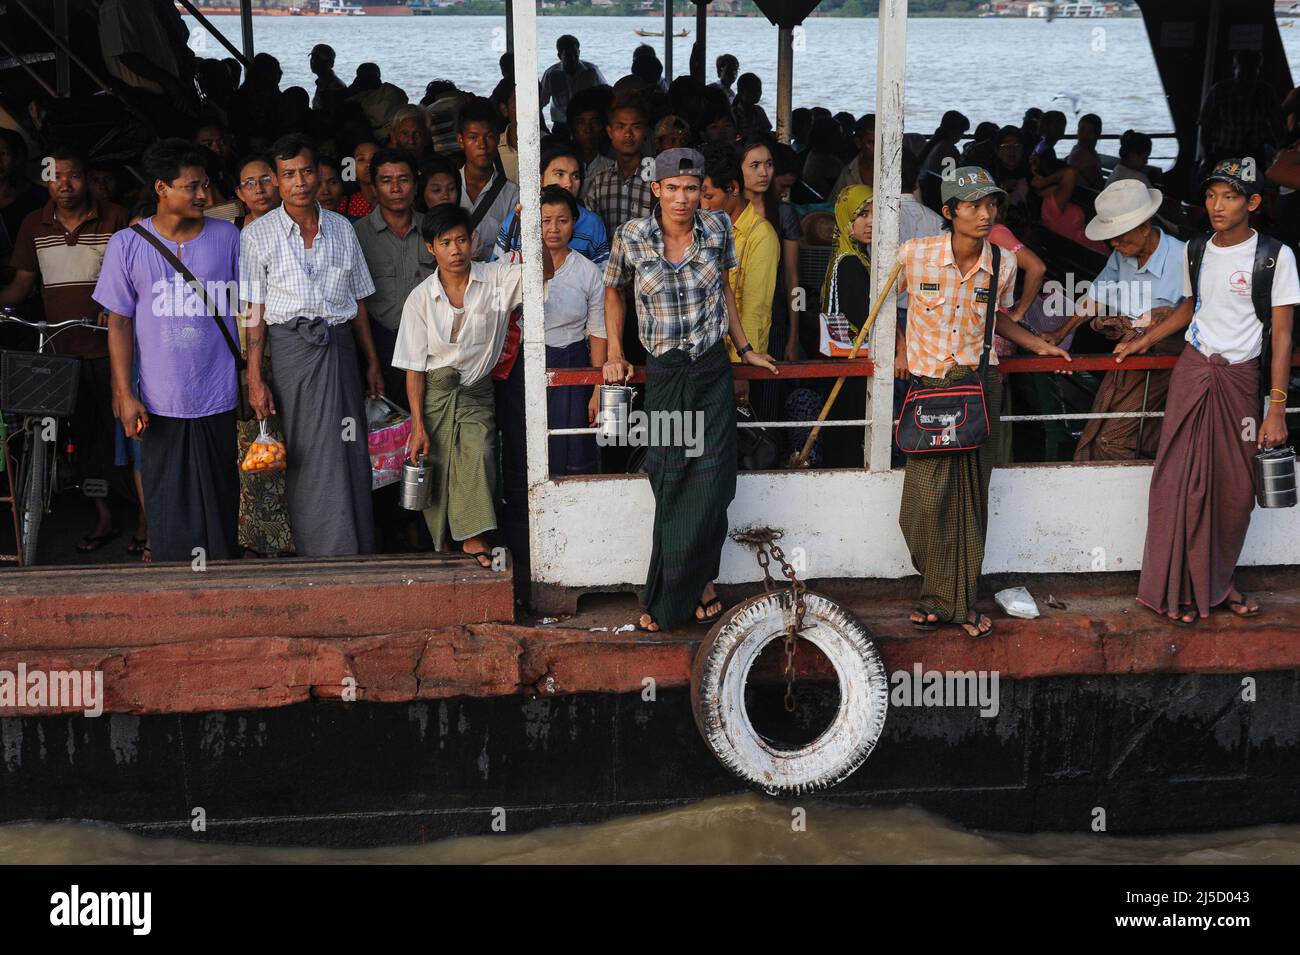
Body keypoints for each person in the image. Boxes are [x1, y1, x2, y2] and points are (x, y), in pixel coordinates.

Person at [601, 148, 778, 632]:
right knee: (670, 477)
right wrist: (615, 352)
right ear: (656, 190)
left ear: (703, 192)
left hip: (710, 371)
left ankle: (699, 577)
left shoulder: (718, 229)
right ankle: (671, 595)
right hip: (664, 374)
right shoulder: (632, 236)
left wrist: (743, 347)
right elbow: (613, 289)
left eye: (691, 188)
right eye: (672, 188)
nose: (682, 198)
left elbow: (723, 289)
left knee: (716, 481)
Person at [1116, 159, 1298, 623]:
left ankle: (1218, 585)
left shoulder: (1275, 257)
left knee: (1236, 490)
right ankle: (1173, 591)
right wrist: (1145, 340)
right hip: (1193, 374)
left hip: (1240, 380)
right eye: (1212, 196)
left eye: (1230, 196)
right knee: (1176, 483)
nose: (1217, 206)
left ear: (1253, 203)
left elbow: (1281, 339)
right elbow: (1190, 309)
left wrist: (1276, 409)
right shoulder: (1196, 249)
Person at [895, 167, 1071, 638]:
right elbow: (885, 306)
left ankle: (950, 603)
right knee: (922, 505)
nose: (984, 213)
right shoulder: (914, 255)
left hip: (978, 383)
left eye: (990, 204)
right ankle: (942, 591)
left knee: (970, 498)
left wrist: (1038, 345)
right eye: (972, 206)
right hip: (931, 387)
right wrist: (899, 349)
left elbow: (999, 321)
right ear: (949, 212)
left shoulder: (1002, 262)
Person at [94, 139, 240, 564]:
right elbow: (118, 322)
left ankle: (226, 586)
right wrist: (124, 393)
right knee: (166, 501)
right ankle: (177, 587)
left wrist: (253, 378)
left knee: (221, 496)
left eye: (206, 185)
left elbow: (250, 311)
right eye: (192, 187)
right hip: (158, 399)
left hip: (218, 392)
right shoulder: (127, 244)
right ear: (161, 188)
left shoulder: (228, 237)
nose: (203, 196)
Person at [239, 134, 384, 558]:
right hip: (292, 352)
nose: (299, 182)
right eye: (288, 175)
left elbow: (358, 302)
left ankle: (357, 547)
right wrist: (254, 377)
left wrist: (371, 362)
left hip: (340, 348)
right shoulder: (258, 236)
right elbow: (254, 312)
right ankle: (323, 553)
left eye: (305, 172)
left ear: (319, 175)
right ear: (276, 181)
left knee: (350, 447)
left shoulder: (342, 227)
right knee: (308, 451)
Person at [395, 203, 554, 564]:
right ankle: (444, 541)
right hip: (435, 394)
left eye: (462, 240)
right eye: (446, 242)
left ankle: (475, 538)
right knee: (437, 467)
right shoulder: (419, 299)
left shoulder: (497, 279)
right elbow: (413, 369)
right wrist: (417, 425)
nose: (455, 249)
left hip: (477, 391)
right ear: (430, 248)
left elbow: (543, 273)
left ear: (474, 242)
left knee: (480, 453)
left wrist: (532, 229)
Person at [0, 147, 129, 553]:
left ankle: (144, 518)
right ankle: (104, 516)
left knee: (125, 435)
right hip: (60, 351)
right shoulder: (32, 225)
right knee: (84, 437)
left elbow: (135, 276)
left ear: (87, 178)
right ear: (45, 182)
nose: (64, 185)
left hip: (113, 349)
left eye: (72, 176)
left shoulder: (116, 217)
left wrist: (115, 306)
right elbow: (22, 284)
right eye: (55, 177)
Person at [1041, 179, 1186, 461]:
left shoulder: (1183, 257)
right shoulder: (1123, 255)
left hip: (1164, 364)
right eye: (1112, 237)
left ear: (1145, 227)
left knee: (1112, 437)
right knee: (1107, 430)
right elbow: (1097, 295)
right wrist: (1060, 334)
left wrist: (1160, 321)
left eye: (1121, 236)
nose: (1114, 244)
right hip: (1128, 356)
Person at [700, 143, 778, 408]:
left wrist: (741, 369)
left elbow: (755, 309)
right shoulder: (709, 229)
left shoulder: (761, 236)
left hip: (738, 362)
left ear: (733, 189)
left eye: (708, 196)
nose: (702, 204)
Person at [537, 186, 607, 476]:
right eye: (545, 220)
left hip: (574, 365)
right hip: (531, 365)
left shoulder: (588, 271)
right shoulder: (515, 265)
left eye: (562, 220)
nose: (554, 228)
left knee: (575, 443)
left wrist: (597, 389)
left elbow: (598, 332)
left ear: (574, 222)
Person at [354, 147, 433, 405]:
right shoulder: (356, 235)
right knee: (391, 432)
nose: (396, 188)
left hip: (433, 344)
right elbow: (356, 303)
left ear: (416, 184)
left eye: (404, 179)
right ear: (374, 189)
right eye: (386, 181)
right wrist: (371, 360)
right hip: (382, 344)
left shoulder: (434, 229)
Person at [817, 184, 874, 468]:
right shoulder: (851, 263)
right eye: (862, 214)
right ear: (845, 218)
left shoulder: (850, 257)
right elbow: (865, 320)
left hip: (845, 369)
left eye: (875, 213)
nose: (872, 221)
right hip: (851, 372)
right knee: (849, 444)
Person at [491, 142, 609, 266]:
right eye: (559, 174)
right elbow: (496, 268)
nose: (568, 183)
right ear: (541, 180)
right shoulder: (518, 217)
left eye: (575, 176)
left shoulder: (592, 223)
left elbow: (602, 278)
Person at [740, 136, 803, 362]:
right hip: (732, 314)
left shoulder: (784, 214)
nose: (764, 172)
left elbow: (794, 278)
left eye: (768, 164)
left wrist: (794, 334)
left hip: (774, 317)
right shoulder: (727, 211)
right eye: (755, 166)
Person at [583, 95, 655, 238]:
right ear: (610, 132)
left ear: (645, 131)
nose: (628, 134)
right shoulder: (598, 183)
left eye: (636, 127)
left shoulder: (658, 179)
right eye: (620, 126)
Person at [457, 98, 519, 261]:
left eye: (489, 136)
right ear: (460, 141)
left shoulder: (512, 194)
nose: (482, 144)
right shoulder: (448, 187)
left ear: (498, 139)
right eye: (473, 137)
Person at [1199, 51, 1286, 165]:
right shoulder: (1219, 91)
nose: (1247, 76)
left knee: (1233, 182)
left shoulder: (1266, 92)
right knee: (1246, 181)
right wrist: (1207, 156)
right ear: (1234, 68)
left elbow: (1276, 124)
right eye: (1244, 71)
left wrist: (1281, 150)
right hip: (1228, 153)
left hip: (1248, 152)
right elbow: (1206, 125)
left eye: (1251, 72)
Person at [540, 36, 607, 133]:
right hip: (561, 126)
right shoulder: (551, 74)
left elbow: (605, 94)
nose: (573, 59)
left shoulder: (592, 71)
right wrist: (543, 127)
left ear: (579, 52)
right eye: (568, 56)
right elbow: (540, 103)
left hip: (587, 124)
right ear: (559, 56)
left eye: (575, 55)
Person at [918, 110, 971, 213]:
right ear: (955, 131)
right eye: (961, 132)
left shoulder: (935, 145)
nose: (961, 136)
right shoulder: (949, 150)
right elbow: (949, 181)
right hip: (935, 199)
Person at [830, 114, 876, 201]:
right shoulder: (848, 173)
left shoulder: (899, 169)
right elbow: (835, 206)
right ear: (858, 142)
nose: (879, 147)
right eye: (871, 142)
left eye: (883, 141)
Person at [233, 154, 281, 228]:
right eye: (250, 183)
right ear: (240, 194)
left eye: (266, 180)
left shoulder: (299, 221)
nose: (259, 190)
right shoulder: (233, 230)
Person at [339, 140, 380, 219]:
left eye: (374, 158)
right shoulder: (344, 205)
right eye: (361, 159)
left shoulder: (399, 197)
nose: (368, 164)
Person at [1069, 113, 1105, 191]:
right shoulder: (1083, 157)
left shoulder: (1077, 150)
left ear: (1097, 135)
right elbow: (1100, 189)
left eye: (1089, 132)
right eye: (1082, 130)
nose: (1084, 135)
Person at [309, 43, 347, 113]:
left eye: (318, 58)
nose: (313, 61)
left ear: (331, 63)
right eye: (313, 57)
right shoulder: (323, 82)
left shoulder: (335, 87)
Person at [731, 74, 771, 139]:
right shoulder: (732, 114)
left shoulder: (759, 110)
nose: (758, 93)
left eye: (759, 89)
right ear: (741, 92)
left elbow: (767, 133)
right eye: (753, 90)